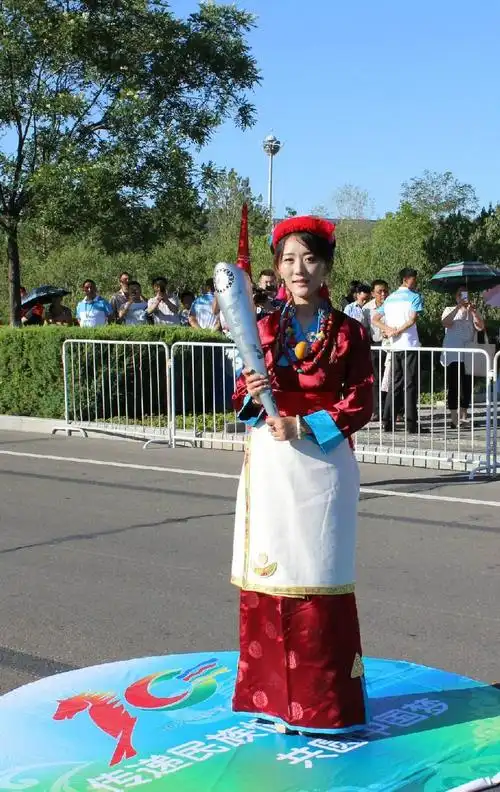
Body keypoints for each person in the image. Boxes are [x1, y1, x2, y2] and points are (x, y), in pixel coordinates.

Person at [231, 215, 373, 735]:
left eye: (309, 258)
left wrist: (305, 425)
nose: (298, 269)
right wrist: (251, 392)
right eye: (288, 259)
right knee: (273, 581)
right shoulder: (264, 328)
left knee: (319, 580)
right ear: (276, 268)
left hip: (325, 468)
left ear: (326, 266)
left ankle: (324, 706)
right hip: (269, 464)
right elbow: (239, 401)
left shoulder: (351, 332)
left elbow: (361, 400)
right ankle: (271, 701)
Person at [372, 268, 423, 434]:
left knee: (395, 384)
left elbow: (375, 319)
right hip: (409, 344)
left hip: (394, 346)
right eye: (414, 279)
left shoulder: (390, 298)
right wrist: (398, 330)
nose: (416, 282)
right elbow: (413, 319)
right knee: (410, 384)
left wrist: (389, 329)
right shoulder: (415, 297)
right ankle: (411, 424)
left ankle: (387, 422)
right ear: (407, 279)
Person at [441, 286, 485, 428]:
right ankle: (454, 419)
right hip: (453, 354)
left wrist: (473, 311)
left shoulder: (472, 311)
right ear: (456, 297)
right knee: (453, 386)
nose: (462, 297)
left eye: (465, 294)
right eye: (460, 294)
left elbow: (480, 326)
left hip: (468, 353)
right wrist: (458, 307)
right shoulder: (449, 309)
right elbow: (445, 322)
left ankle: (464, 416)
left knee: (466, 386)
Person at [364, 280, 389, 420]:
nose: (383, 294)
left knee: (390, 378)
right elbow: (363, 328)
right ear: (373, 293)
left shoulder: (392, 305)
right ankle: (376, 410)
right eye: (380, 291)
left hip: (390, 345)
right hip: (374, 345)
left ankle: (391, 410)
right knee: (376, 379)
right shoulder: (367, 309)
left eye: (385, 291)